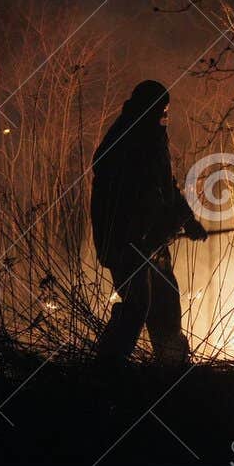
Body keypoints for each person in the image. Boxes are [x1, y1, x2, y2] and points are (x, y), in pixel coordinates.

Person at [90, 80, 208, 365]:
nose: (164, 114)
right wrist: (160, 227)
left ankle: (173, 372)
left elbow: (166, 187)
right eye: (161, 108)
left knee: (166, 304)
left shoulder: (151, 138)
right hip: (128, 244)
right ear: (149, 107)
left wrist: (187, 220)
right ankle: (107, 368)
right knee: (137, 305)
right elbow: (138, 196)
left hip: (150, 242)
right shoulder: (128, 142)